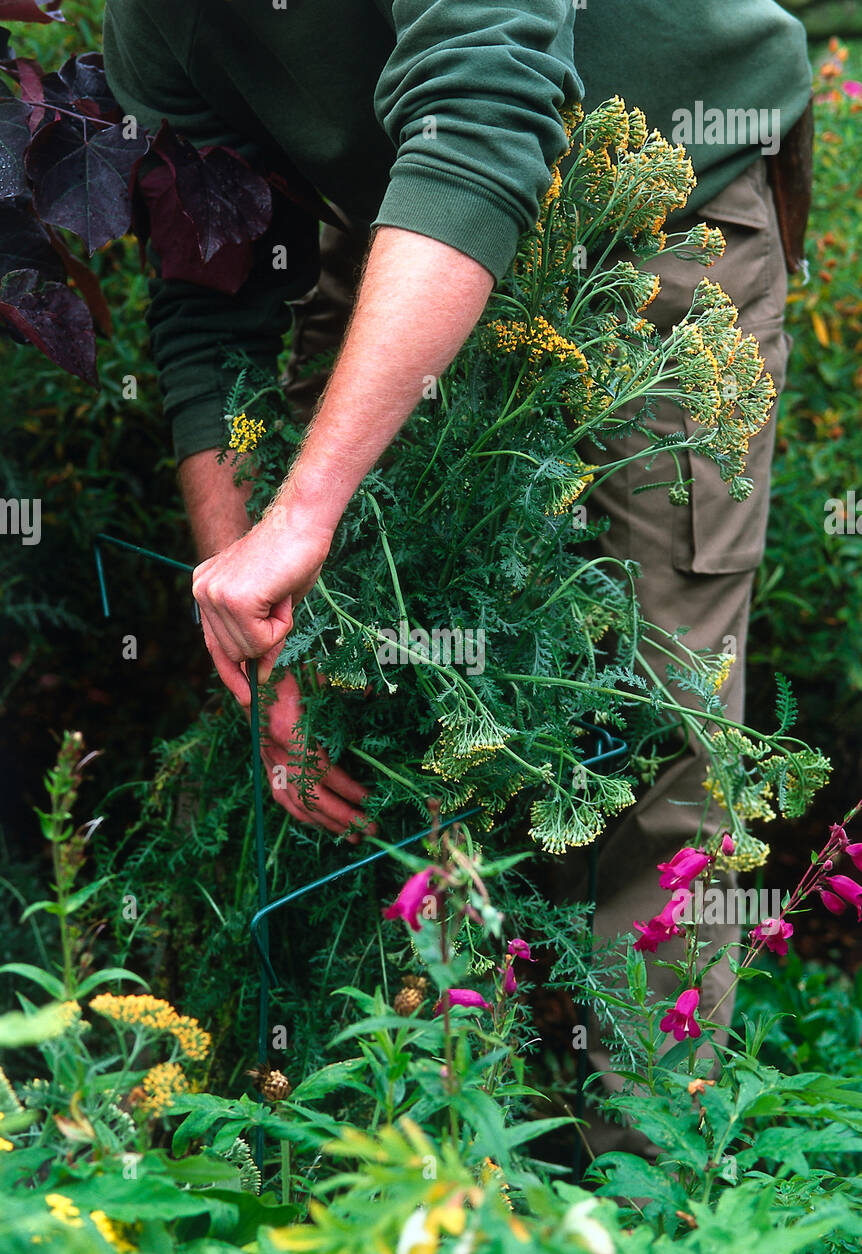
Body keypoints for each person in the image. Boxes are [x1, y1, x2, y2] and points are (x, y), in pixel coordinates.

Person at [103, 0, 812, 1152]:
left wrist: (307, 512)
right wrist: (252, 597)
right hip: (403, 207)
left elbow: (487, 110)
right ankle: (410, 1152)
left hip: (658, 174)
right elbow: (209, 295)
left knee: (660, 704)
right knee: (363, 693)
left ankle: (640, 1207)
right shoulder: (153, 20)